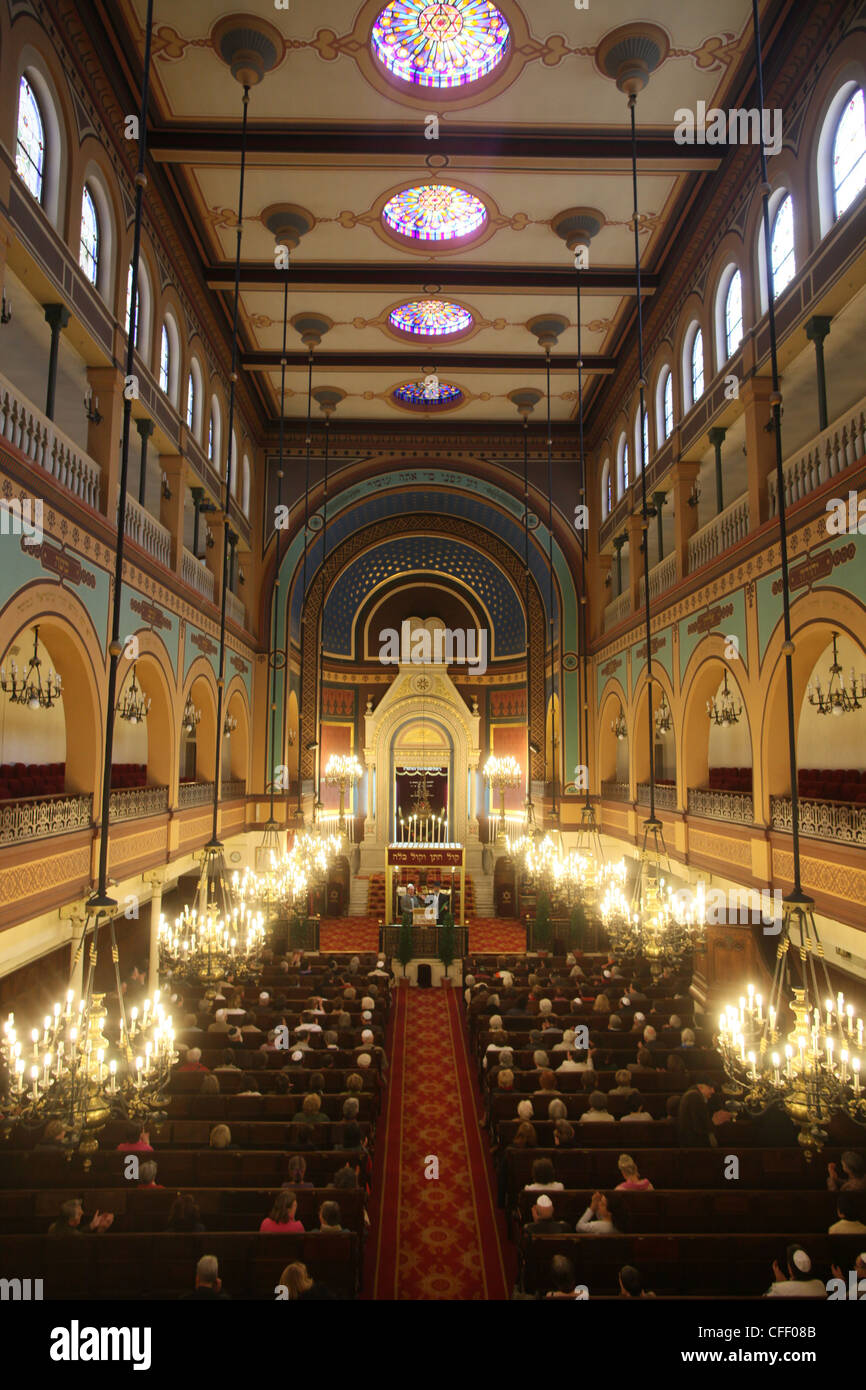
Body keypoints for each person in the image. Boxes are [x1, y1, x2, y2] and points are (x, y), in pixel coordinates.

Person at [677, 1081, 718, 1147]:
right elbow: (700, 1126)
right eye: (710, 1088)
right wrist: (714, 1122)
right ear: (700, 1087)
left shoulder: (692, 1094)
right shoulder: (694, 1096)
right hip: (695, 1146)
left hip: (691, 1143)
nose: (713, 1091)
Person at [48, 1199, 113, 1235]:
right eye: (79, 1214)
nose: (82, 1212)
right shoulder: (75, 1236)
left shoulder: (53, 1227)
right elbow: (78, 1234)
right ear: (71, 1221)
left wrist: (92, 1225)